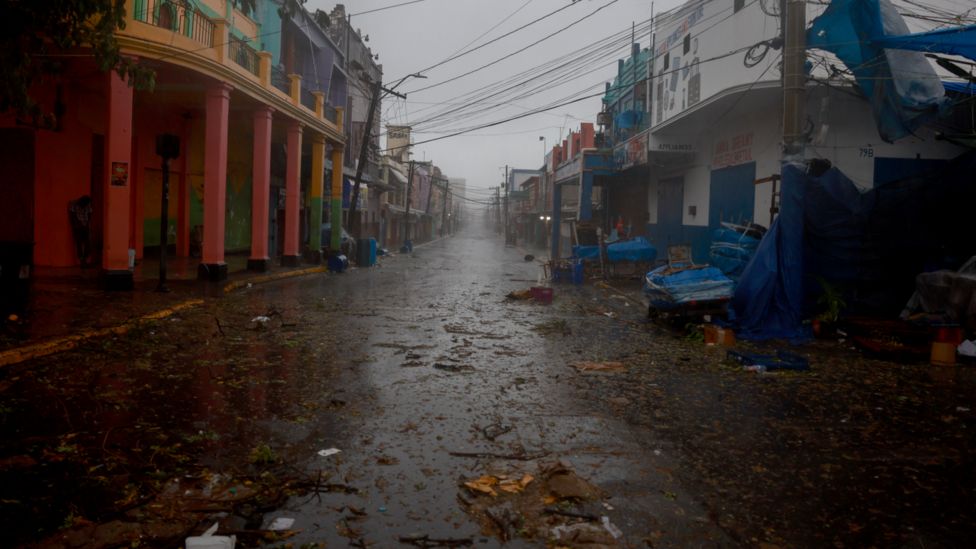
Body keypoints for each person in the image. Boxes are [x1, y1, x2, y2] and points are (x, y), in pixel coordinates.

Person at [69, 195, 93, 267]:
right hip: (77, 226)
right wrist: (77, 224)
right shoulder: (73, 203)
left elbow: (89, 213)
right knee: (79, 243)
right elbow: (72, 215)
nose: (84, 206)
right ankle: (81, 260)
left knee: (88, 242)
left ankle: (85, 258)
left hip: (85, 224)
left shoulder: (87, 204)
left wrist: (88, 223)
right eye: (83, 205)